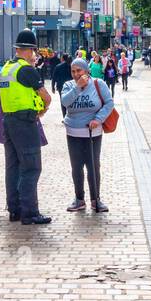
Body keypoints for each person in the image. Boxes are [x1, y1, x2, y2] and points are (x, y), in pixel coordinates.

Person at [0, 29, 53, 225]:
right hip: (25, 123)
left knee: (12, 167)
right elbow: (46, 96)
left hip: (8, 122)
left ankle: (15, 210)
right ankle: (30, 213)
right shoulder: (26, 70)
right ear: (30, 50)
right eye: (34, 51)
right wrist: (43, 109)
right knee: (31, 168)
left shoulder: (6, 68)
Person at [61, 58, 114, 213]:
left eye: (79, 70)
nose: (76, 74)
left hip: (93, 133)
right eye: (73, 71)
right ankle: (79, 199)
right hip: (73, 132)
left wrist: (98, 119)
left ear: (86, 70)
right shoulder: (68, 85)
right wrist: (77, 87)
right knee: (76, 167)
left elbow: (109, 103)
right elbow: (65, 102)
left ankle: (95, 199)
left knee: (93, 166)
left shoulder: (98, 84)